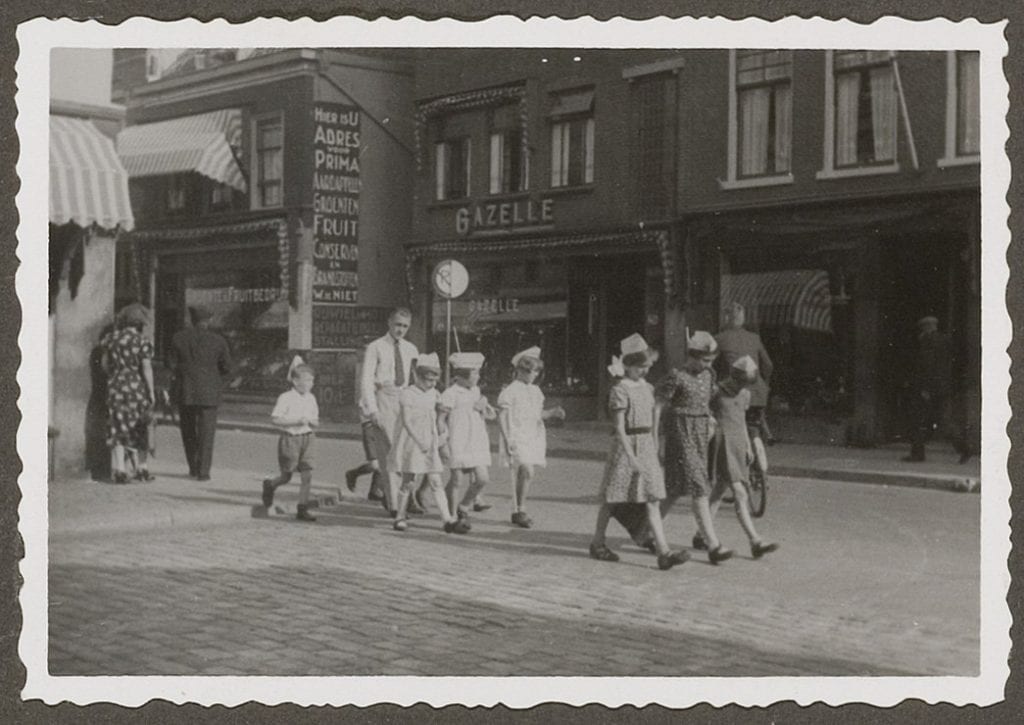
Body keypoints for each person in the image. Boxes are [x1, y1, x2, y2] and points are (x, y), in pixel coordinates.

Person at [589, 334, 689, 571]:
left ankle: (664, 552)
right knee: (613, 498)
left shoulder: (648, 388)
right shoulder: (620, 390)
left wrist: (654, 442)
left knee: (652, 498)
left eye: (646, 367)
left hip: (645, 446)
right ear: (628, 365)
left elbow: (653, 419)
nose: (644, 371)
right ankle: (597, 543)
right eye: (639, 367)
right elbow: (619, 428)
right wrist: (630, 456)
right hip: (626, 448)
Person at [658, 331, 734, 564]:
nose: (707, 365)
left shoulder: (709, 375)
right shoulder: (676, 376)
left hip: (701, 435)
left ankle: (646, 531)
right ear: (691, 356)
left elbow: (711, 401)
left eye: (711, 361)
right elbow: (659, 406)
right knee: (699, 487)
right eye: (704, 360)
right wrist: (658, 439)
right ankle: (713, 545)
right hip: (680, 434)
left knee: (674, 489)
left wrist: (712, 419)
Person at [698, 355, 779, 559]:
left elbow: (741, 420)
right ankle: (755, 541)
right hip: (722, 444)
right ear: (733, 377)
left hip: (737, 444)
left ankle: (701, 534)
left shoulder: (744, 394)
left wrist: (747, 446)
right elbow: (703, 411)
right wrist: (710, 421)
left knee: (719, 491)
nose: (743, 387)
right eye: (741, 382)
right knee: (740, 493)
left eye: (746, 384)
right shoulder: (716, 391)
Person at [350, 307, 422, 515]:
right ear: (389, 322)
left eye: (405, 326)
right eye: (398, 324)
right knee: (389, 454)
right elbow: (366, 380)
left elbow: (415, 379)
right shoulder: (376, 347)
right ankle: (394, 504)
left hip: (405, 399)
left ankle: (406, 497)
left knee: (408, 452)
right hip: (384, 398)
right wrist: (372, 410)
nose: (400, 330)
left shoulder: (411, 349)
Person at [389, 353, 471, 534]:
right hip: (412, 442)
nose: (432, 384)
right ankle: (400, 516)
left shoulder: (434, 394)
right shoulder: (408, 394)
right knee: (409, 481)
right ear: (417, 377)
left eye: (435, 380)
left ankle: (447, 519)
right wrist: (419, 442)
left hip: (430, 441)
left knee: (435, 480)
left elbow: (441, 415)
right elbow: (407, 421)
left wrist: (441, 440)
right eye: (428, 380)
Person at [497, 347, 566, 529]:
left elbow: (537, 414)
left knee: (526, 473)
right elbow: (502, 416)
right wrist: (506, 439)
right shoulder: (510, 391)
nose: (534, 375)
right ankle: (519, 510)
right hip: (516, 436)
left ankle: (518, 509)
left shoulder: (535, 391)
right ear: (520, 370)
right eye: (531, 371)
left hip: (532, 436)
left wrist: (553, 412)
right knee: (526, 470)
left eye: (536, 372)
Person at [167, 306, 232, 481]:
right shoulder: (218, 340)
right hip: (209, 392)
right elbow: (227, 367)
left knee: (187, 430)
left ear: (191, 320)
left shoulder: (178, 338)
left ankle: (193, 467)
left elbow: (170, 364)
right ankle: (204, 472)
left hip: (186, 390)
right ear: (208, 321)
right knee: (207, 432)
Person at [99, 303, 156, 483]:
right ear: (140, 323)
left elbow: (104, 365)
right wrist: (151, 391)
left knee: (117, 426)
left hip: (116, 386)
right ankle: (142, 468)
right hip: (136, 387)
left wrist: (116, 374)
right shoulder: (142, 341)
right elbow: (146, 368)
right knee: (141, 424)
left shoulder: (111, 339)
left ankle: (120, 470)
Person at [438, 352, 495, 525]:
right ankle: (452, 516)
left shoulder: (476, 391)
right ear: (462, 376)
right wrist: (443, 443)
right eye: (474, 373)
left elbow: (486, 414)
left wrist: (483, 405)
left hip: (476, 439)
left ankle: (464, 505)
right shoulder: (450, 393)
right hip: (458, 440)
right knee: (456, 479)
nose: (478, 377)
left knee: (482, 478)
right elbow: (440, 420)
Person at [904, 315, 969, 463]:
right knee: (942, 420)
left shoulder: (927, 341)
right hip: (942, 387)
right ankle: (964, 448)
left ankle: (918, 454)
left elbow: (928, 365)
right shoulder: (945, 340)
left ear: (926, 328)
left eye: (923, 328)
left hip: (930, 388)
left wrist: (925, 388)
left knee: (918, 420)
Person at [261, 361, 320, 522]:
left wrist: (313, 423)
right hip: (290, 439)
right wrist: (296, 421)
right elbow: (275, 419)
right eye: (307, 380)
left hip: (308, 438)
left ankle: (302, 508)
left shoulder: (311, 398)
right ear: (295, 381)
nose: (311, 384)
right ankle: (270, 485)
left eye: (312, 380)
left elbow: (315, 420)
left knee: (307, 475)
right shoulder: (285, 398)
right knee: (286, 476)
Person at [715, 302, 775, 443]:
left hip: (732, 394)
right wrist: (764, 383)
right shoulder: (754, 338)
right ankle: (758, 443)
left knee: (732, 430)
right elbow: (768, 365)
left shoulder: (719, 338)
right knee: (753, 426)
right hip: (757, 394)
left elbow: (710, 364)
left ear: (726, 318)